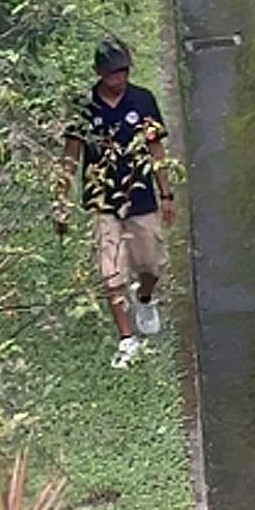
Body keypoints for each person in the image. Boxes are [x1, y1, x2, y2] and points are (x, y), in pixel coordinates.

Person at [53, 38, 176, 369]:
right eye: (111, 74)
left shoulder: (143, 100)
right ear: (98, 73)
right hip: (102, 202)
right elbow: (70, 156)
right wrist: (60, 199)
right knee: (111, 274)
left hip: (140, 198)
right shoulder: (84, 107)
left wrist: (166, 193)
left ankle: (145, 298)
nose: (117, 79)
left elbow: (156, 151)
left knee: (150, 266)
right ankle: (126, 338)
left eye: (122, 72)